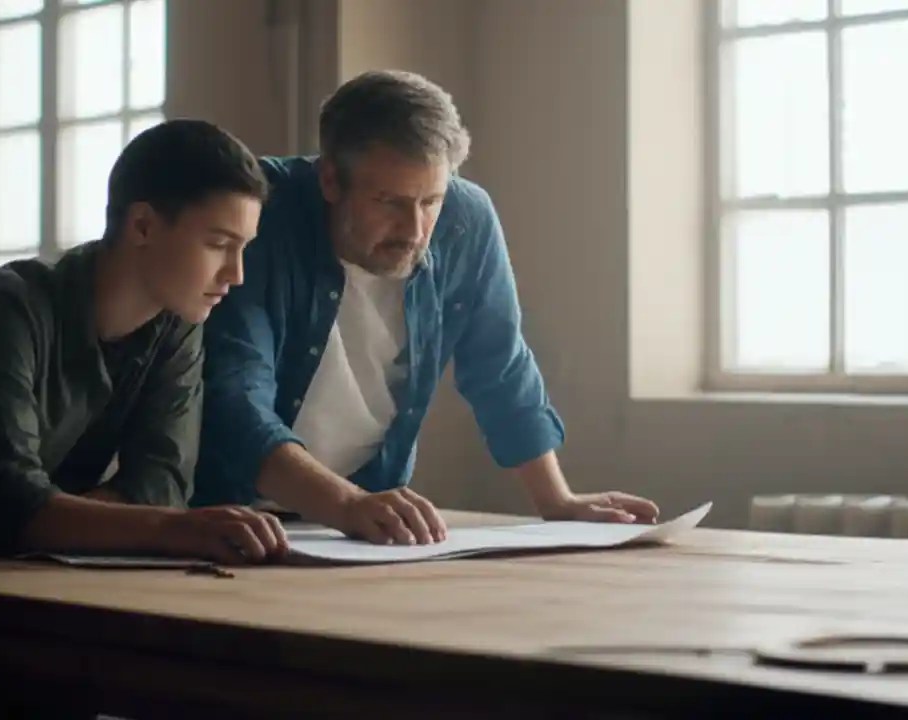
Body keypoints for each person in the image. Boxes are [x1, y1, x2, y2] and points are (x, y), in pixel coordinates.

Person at [194, 70, 659, 545]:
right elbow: (234, 394)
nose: (414, 229)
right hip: (228, 515)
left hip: (363, 521)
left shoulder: (467, 218)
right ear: (330, 178)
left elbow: (500, 364)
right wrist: (344, 503)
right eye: (388, 201)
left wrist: (557, 502)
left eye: (431, 200)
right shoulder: (262, 212)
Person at [0, 119, 288, 564]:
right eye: (219, 244)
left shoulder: (176, 326)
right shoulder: (9, 310)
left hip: (17, 569)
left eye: (244, 249)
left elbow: (161, 485)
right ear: (142, 225)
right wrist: (169, 527)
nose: (236, 275)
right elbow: (10, 494)